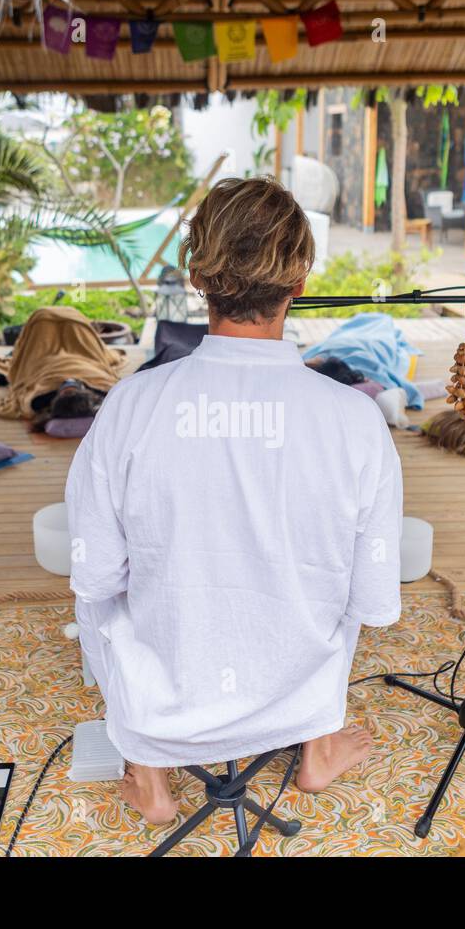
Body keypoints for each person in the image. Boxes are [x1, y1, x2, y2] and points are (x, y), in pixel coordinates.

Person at [66, 177, 403, 825]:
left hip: (165, 700)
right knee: (340, 592)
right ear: (300, 281)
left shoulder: (132, 405)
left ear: (198, 276)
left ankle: (153, 776)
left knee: (100, 588)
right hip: (294, 692)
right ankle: (317, 744)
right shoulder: (356, 420)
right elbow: (374, 601)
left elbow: (97, 575)